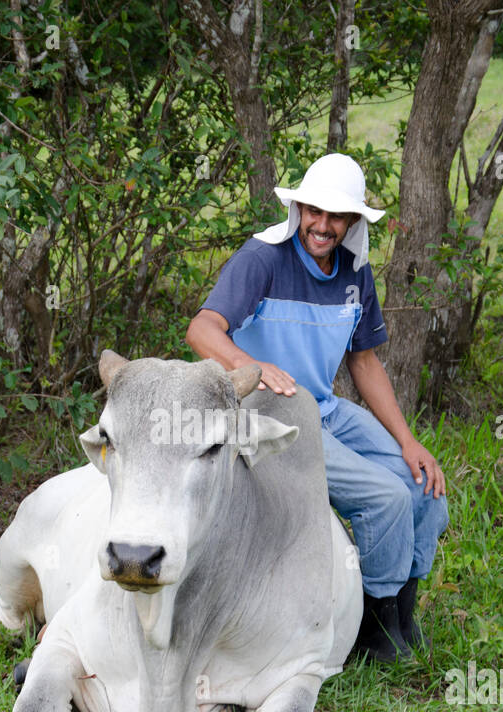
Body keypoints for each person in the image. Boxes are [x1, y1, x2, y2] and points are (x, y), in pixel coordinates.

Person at [185, 153, 449, 662]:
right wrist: (252, 365)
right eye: (314, 212)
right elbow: (201, 330)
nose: (322, 226)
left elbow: (365, 362)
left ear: (351, 222)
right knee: (385, 499)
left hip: (322, 408)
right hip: (270, 413)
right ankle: (373, 631)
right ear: (299, 209)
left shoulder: (354, 271)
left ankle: (402, 616)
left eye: (335, 216)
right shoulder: (263, 258)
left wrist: (407, 440)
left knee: (422, 487)